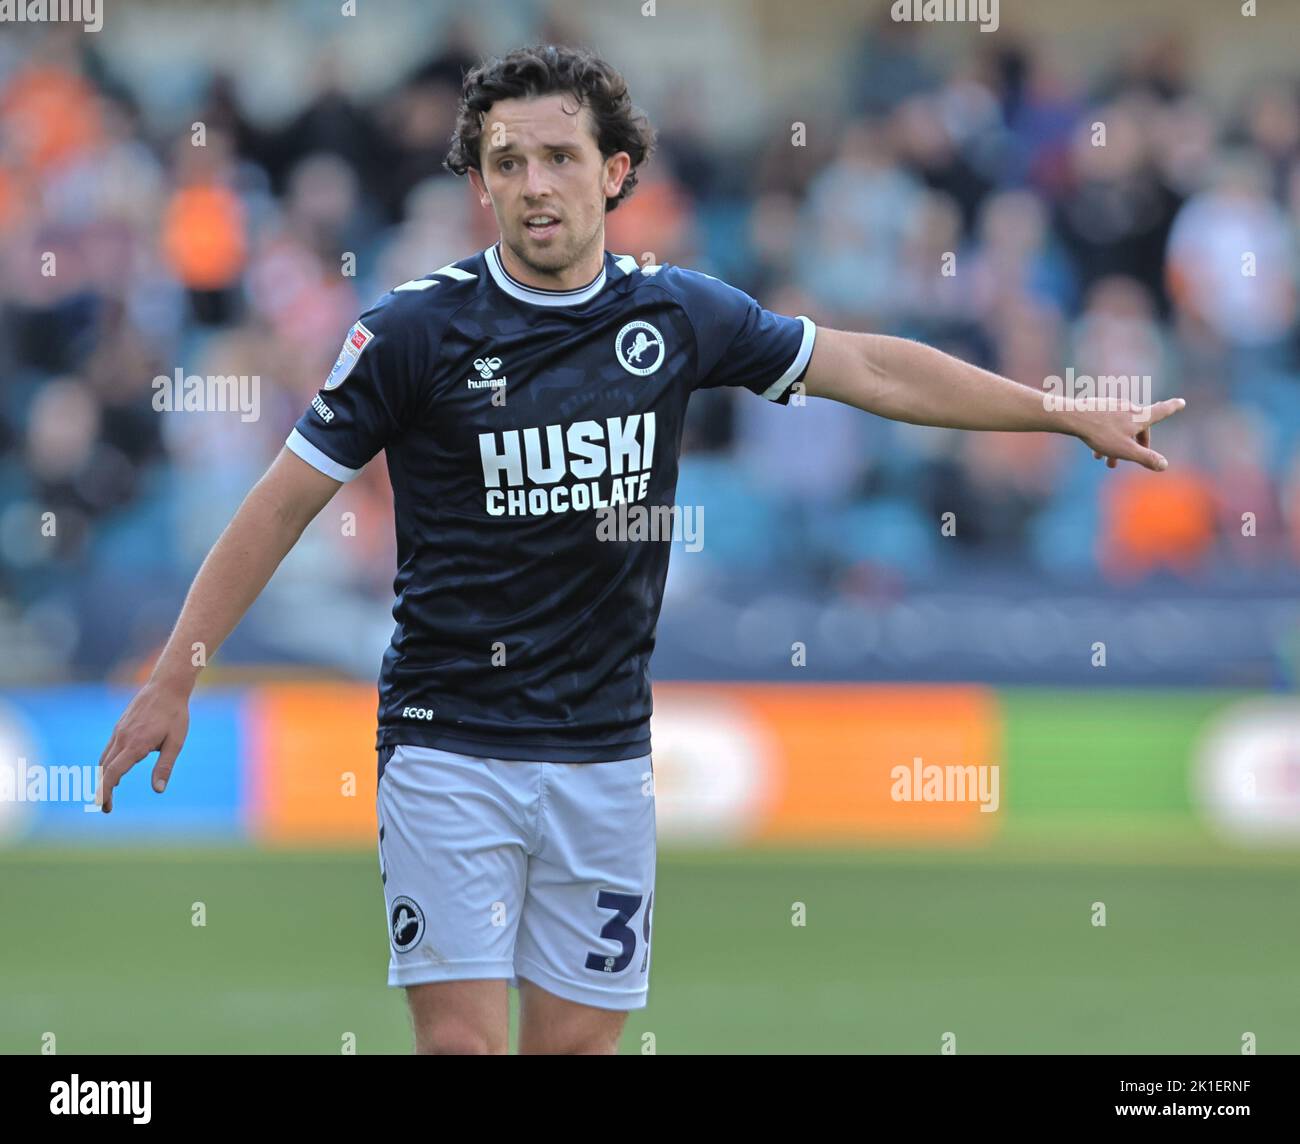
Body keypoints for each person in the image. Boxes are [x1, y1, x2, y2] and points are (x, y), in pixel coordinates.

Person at [94, 43, 1185, 1055]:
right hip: (446, 744)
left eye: (559, 157)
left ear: (613, 172)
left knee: (573, 1047)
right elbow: (282, 502)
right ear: (481, 183)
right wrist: (174, 675)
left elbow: (875, 369)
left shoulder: (678, 315)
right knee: (460, 1045)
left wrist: (1059, 410)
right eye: (506, 161)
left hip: (604, 753)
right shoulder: (412, 334)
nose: (533, 184)